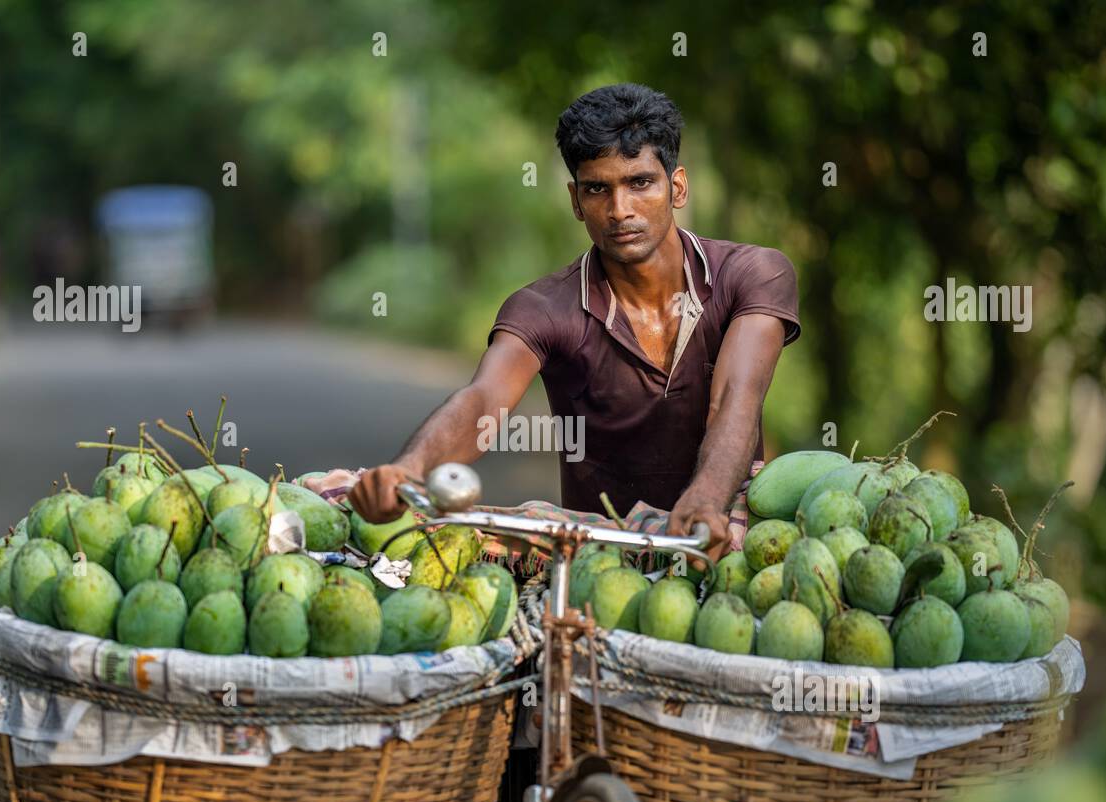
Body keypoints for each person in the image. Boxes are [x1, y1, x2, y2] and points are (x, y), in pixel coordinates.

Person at [329, 83, 800, 563]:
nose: (620, 210)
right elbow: (484, 400)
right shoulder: (544, 307)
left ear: (676, 187)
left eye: (640, 183)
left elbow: (734, 398)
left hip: (725, 536)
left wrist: (707, 498)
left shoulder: (752, 274)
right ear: (576, 201)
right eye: (598, 189)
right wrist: (408, 470)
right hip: (601, 555)